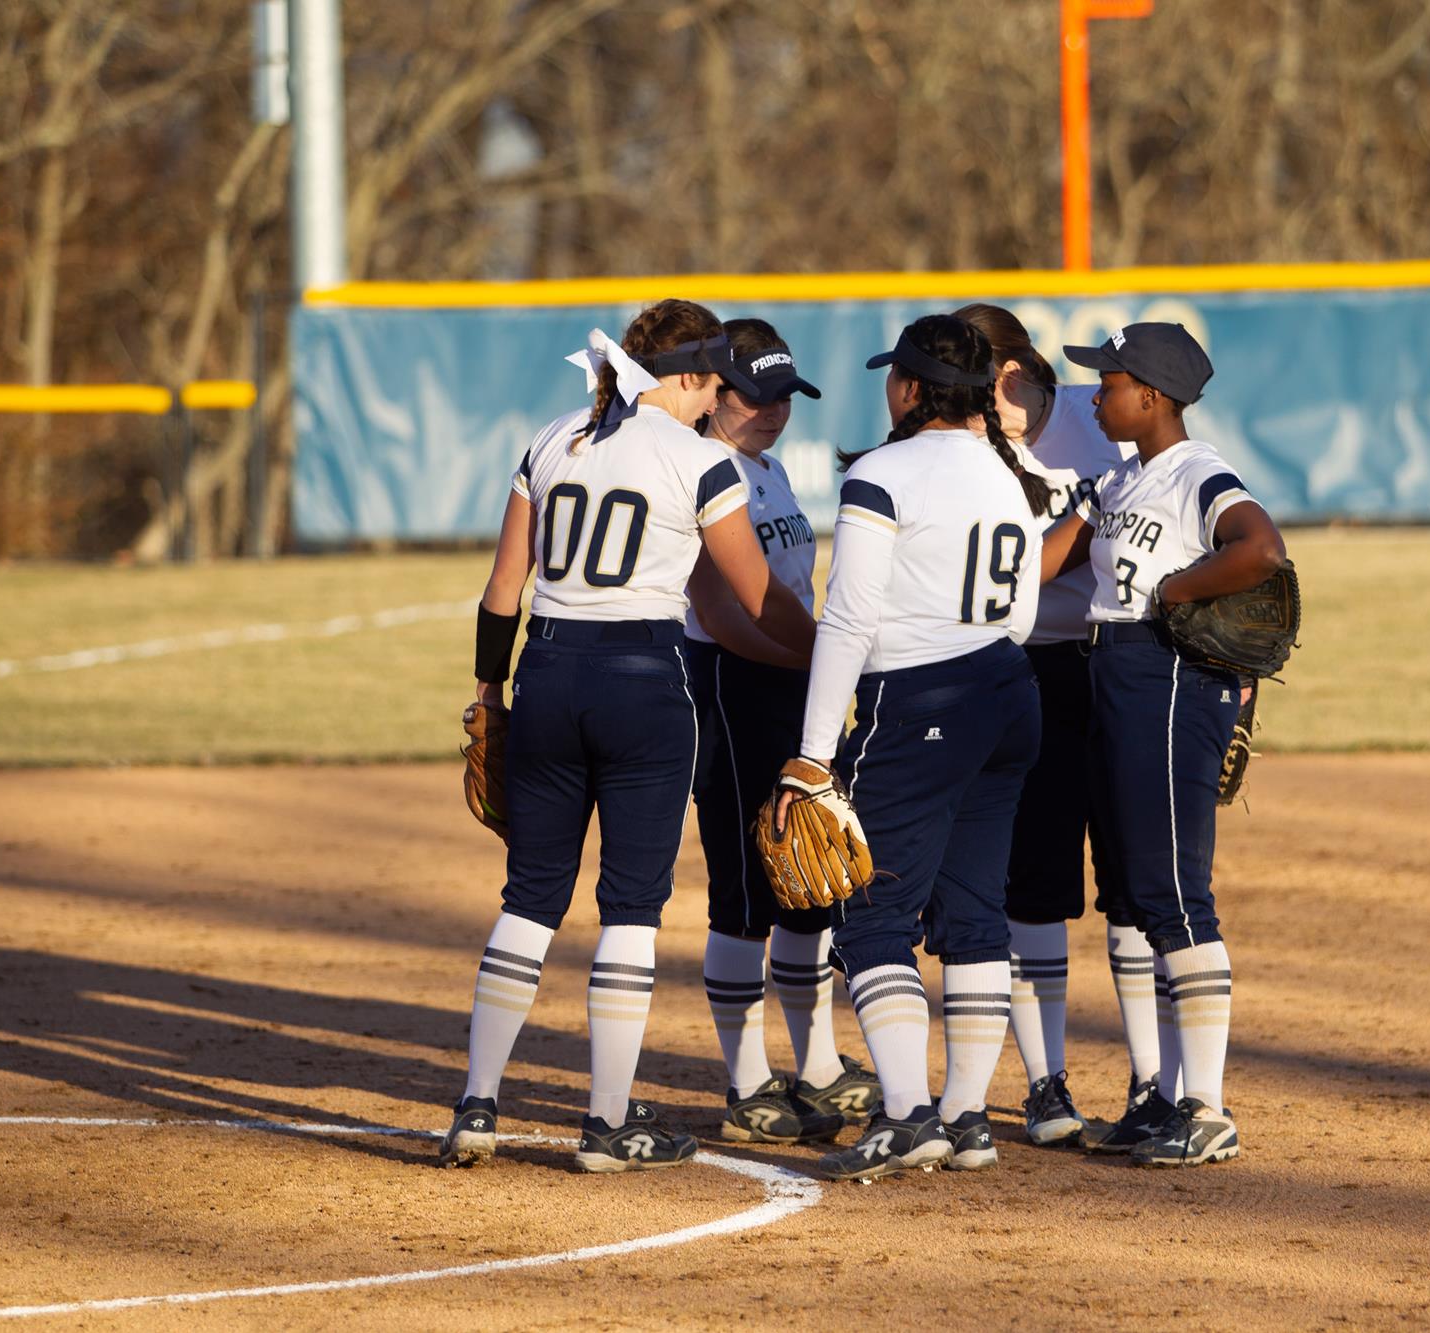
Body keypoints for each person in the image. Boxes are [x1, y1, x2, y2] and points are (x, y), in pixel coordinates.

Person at [439, 299, 817, 1174]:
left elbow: (502, 591)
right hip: (645, 683)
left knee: (529, 898)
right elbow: (754, 598)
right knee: (631, 909)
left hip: (546, 675)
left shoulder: (553, 438)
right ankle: (608, 1121)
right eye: (714, 382)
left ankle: (476, 1104)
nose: (716, 398)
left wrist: (490, 694)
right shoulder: (699, 460)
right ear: (687, 376)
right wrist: (834, 654)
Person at [773, 313, 1049, 1182]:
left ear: (915, 387)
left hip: (921, 698)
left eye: (896, 374)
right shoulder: (1007, 472)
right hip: (1009, 691)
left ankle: (905, 1114)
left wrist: (813, 754)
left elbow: (849, 615)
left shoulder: (884, 472)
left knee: (871, 912)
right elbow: (1023, 612)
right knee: (975, 911)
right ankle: (966, 1116)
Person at [1039, 321, 1287, 1167]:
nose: (1095, 396)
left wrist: (1177, 589)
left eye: (1109, 383)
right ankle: (1167, 1101)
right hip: (1112, 673)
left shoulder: (1196, 470)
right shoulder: (1118, 479)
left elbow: (1261, 547)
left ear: (1149, 396)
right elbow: (1047, 564)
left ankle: (1207, 1107)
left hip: (1168, 677)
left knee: (1176, 892)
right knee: (1139, 896)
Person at [684, 318, 882, 1143]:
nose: (772, 410)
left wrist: (820, 670)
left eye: (784, 396)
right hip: (730, 686)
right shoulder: (698, 468)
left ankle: (820, 1067)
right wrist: (827, 658)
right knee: (743, 889)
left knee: (809, 873)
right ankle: (745, 1082)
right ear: (712, 392)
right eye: (755, 395)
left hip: (792, 683)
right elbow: (723, 613)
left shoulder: (767, 469)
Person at [954, 303, 1138, 1148]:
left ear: (1011, 373)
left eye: (977, 383)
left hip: (1110, 662)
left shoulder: (1099, 430)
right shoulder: (961, 442)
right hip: (1020, 666)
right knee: (1035, 885)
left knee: (1132, 878)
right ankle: (1046, 1082)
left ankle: (1154, 1082)